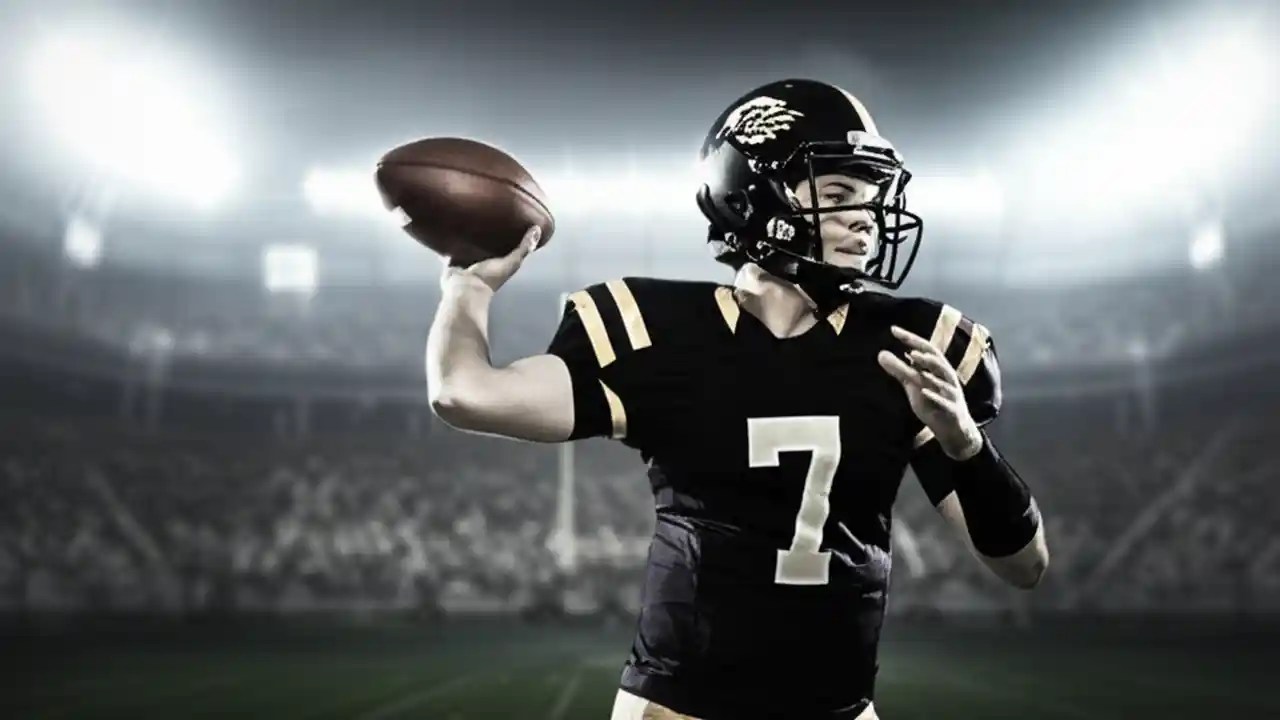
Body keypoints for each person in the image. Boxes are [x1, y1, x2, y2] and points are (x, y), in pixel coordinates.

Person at [426, 78, 1049, 720]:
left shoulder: (911, 344)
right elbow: (463, 393)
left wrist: (966, 446)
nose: (865, 218)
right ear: (751, 196)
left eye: (870, 197)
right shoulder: (656, 329)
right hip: (679, 708)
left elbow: (1024, 566)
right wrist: (468, 287)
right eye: (838, 195)